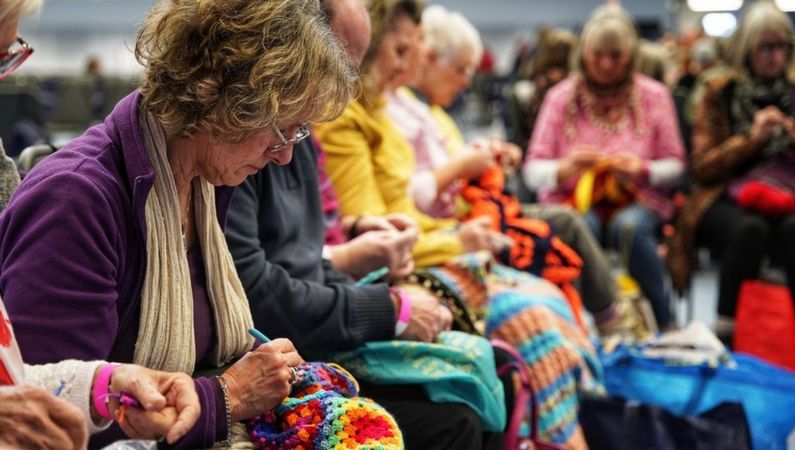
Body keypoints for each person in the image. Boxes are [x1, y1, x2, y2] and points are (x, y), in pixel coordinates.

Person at [0, 0, 356, 448]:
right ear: (220, 102)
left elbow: (202, 342)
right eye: (281, 129)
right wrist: (229, 395)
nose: (285, 154)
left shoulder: (207, 181)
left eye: (297, 132)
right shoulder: (75, 201)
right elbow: (46, 424)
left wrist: (257, 364)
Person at [316, 1, 602, 448]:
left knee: (546, 297)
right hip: (394, 271)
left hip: (404, 258)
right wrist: (455, 240)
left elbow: (383, 224)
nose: (404, 60)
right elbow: (377, 238)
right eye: (401, 49)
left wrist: (455, 234)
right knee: (531, 321)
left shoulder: (384, 114)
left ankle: (565, 422)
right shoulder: (347, 121)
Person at [224, 1, 503, 449]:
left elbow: (308, 252)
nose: (348, 86)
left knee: (475, 377)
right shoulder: (257, 138)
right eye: (343, 64)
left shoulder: (296, 133)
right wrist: (389, 306)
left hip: (307, 324)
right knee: (461, 410)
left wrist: (371, 265)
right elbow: (260, 290)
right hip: (285, 344)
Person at [0, 1, 199, 449]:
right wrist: (222, 399)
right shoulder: (76, 194)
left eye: (6, 57)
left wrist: (103, 386)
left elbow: (18, 380)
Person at [390, 4, 633, 336]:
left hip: (462, 219)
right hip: (450, 226)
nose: (466, 82)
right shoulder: (399, 112)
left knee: (578, 226)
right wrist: (467, 165)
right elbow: (411, 195)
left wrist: (486, 156)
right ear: (430, 58)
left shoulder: (428, 112)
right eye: (461, 70)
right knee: (570, 226)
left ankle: (609, 322)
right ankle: (612, 322)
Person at [524, 5, 686, 330]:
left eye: (617, 56)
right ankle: (588, 325)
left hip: (640, 203)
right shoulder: (561, 98)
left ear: (632, 55)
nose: (606, 64)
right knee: (578, 227)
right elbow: (532, 171)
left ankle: (665, 322)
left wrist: (642, 170)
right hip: (574, 204)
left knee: (630, 228)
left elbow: (677, 165)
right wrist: (566, 168)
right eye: (598, 54)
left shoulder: (653, 96)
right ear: (583, 53)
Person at [667, 2, 795, 341]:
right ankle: (728, 334)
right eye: (767, 47)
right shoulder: (719, 92)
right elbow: (703, 168)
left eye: (784, 46)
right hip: (723, 195)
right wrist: (751, 141)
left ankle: (791, 338)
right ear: (747, 49)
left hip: (789, 195)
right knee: (750, 230)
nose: (776, 56)